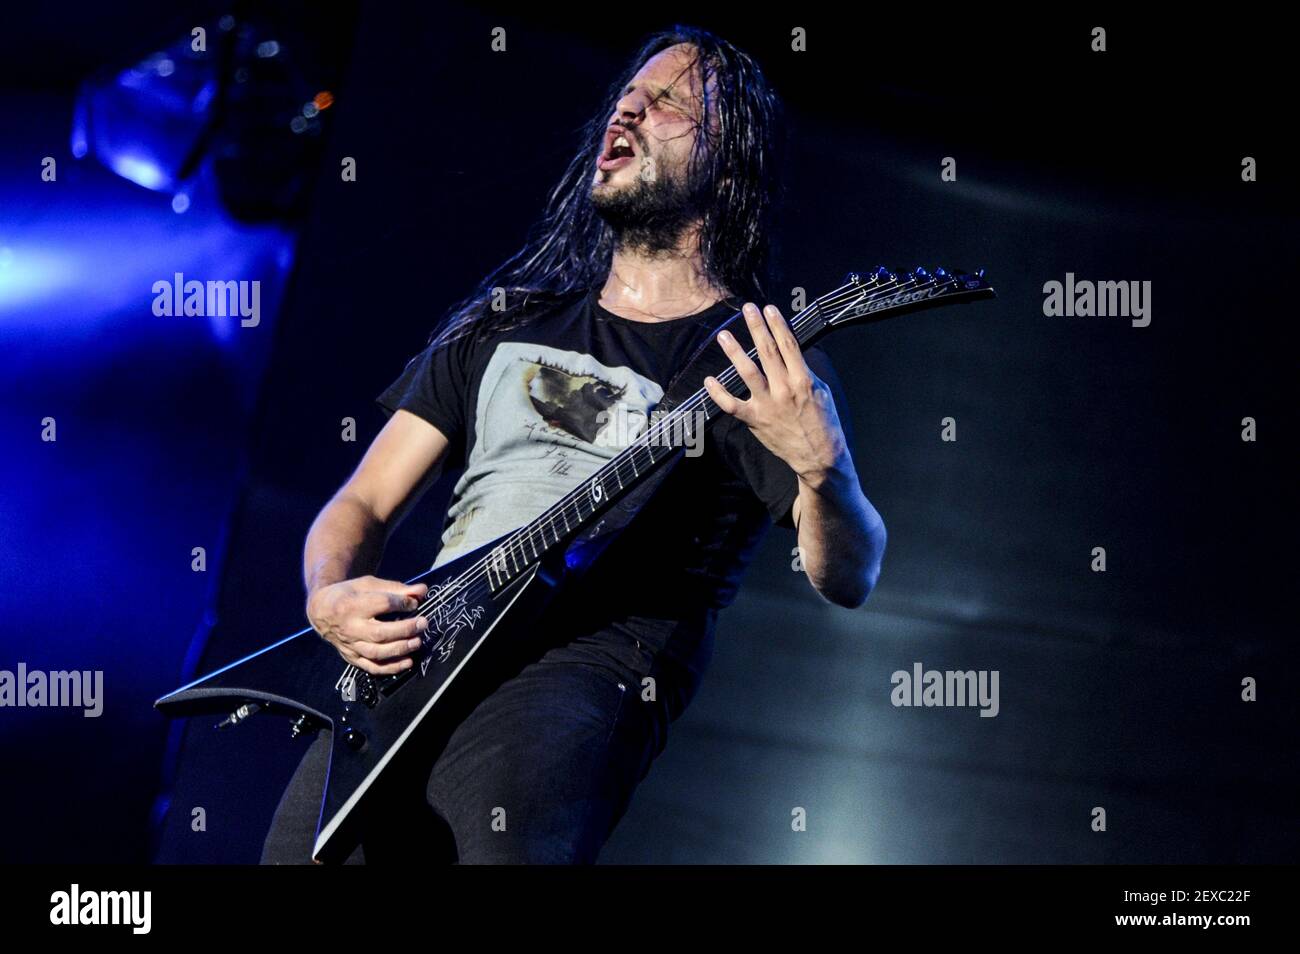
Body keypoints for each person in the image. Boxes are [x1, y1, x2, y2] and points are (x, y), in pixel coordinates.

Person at [261, 25, 886, 865]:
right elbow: (363, 502)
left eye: (668, 101)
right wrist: (328, 597)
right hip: (419, 654)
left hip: (586, 665)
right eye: (628, 93)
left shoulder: (756, 359)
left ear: (729, 166)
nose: (629, 104)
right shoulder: (504, 322)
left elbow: (850, 574)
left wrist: (823, 466)